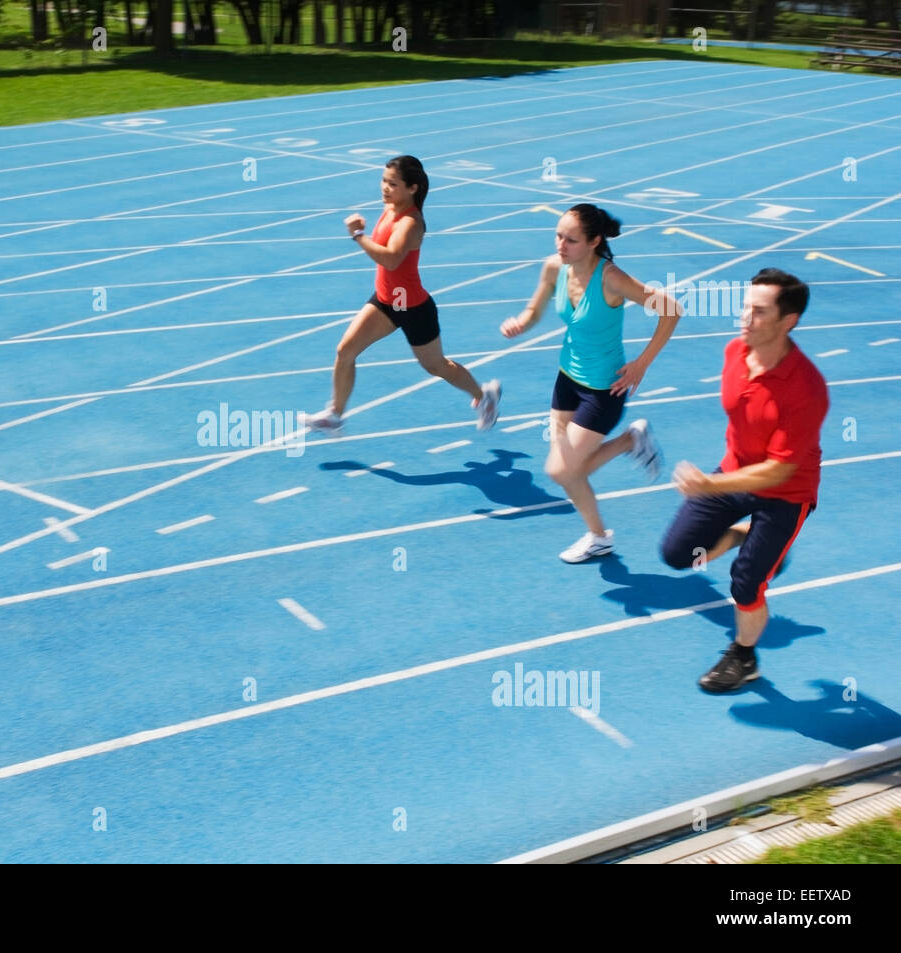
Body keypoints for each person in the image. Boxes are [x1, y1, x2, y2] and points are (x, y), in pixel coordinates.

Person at [660, 269, 828, 693]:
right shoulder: (734, 351)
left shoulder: (806, 388)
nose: (744, 318)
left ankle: (743, 656)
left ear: (788, 321)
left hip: (785, 494)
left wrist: (708, 485)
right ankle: (740, 535)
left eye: (758, 311)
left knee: (747, 581)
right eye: (744, 307)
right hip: (733, 474)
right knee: (681, 555)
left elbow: (779, 470)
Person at [500, 203, 682, 563]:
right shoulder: (555, 268)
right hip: (566, 378)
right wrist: (522, 322)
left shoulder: (612, 279)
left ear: (594, 242)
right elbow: (535, 308)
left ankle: (600, 536)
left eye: (570, 240)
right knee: (568, 470)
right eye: (558, 236)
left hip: (603, 389)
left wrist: (642, 363)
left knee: (560, 470)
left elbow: (671, 309)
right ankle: (631, 441)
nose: (560, 245)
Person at [302, 155, 501, 434]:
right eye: (384, 180)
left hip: (413, 307)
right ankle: (336, 415)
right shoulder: (391, 206)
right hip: (386, 301)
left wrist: (359, 235)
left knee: (437, 367)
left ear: (412, 188)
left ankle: (484, 396)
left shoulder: (411, 223)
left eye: (393, 184)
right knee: (345, 351)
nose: (385, 188)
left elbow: (391, 260)